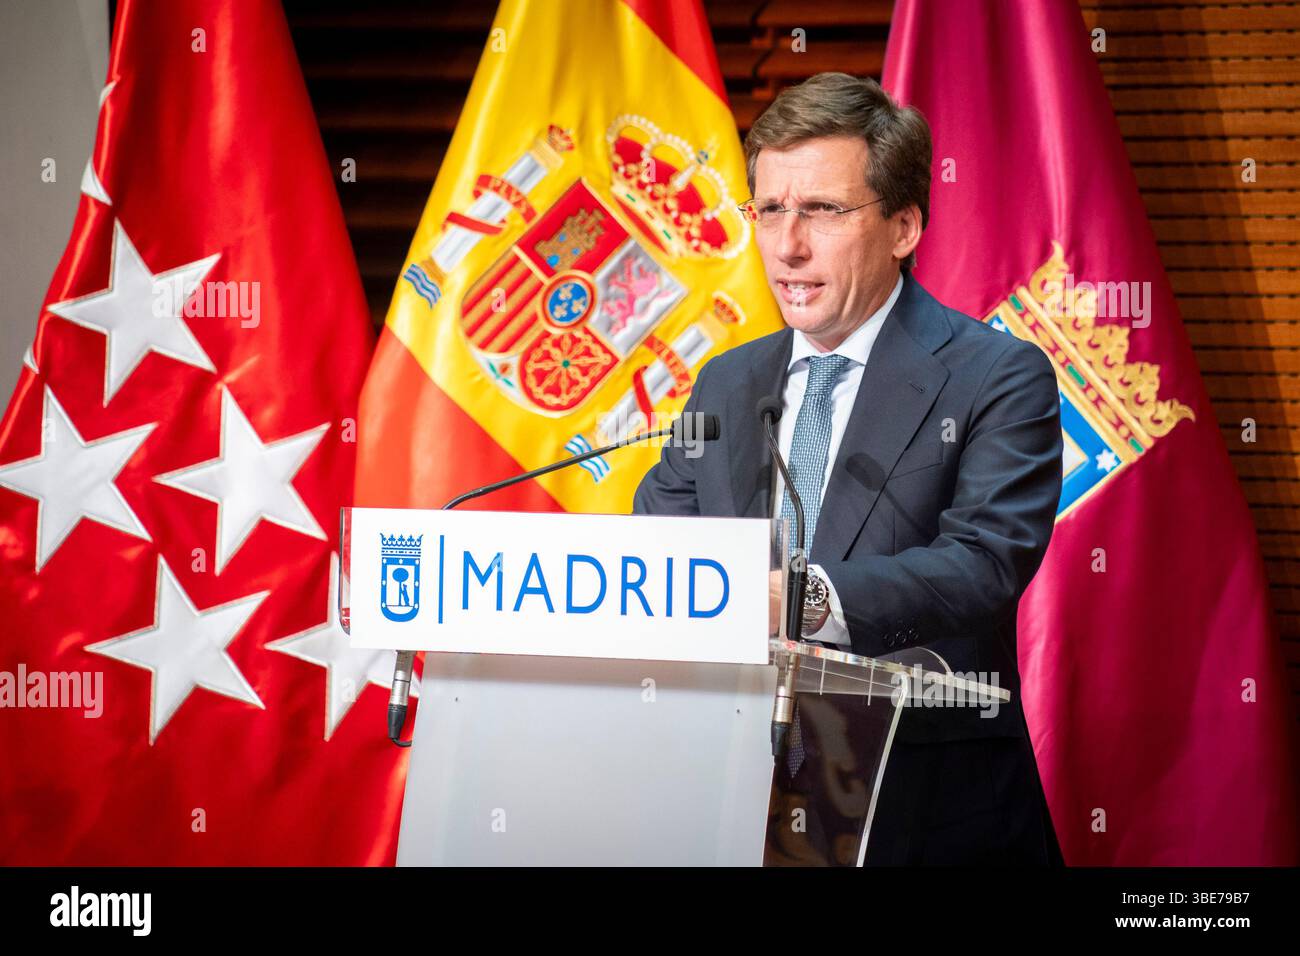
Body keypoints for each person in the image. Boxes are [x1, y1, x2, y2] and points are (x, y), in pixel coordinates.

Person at [633, 73, 1063, 865]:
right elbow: (659, 548)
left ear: (903, 226)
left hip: (927, 814)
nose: (788, 245)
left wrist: (798, 600)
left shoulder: (996, 376)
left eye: (823, 211)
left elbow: (982, 564)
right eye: (769, 210)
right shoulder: (727, 382)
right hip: (728, 799)